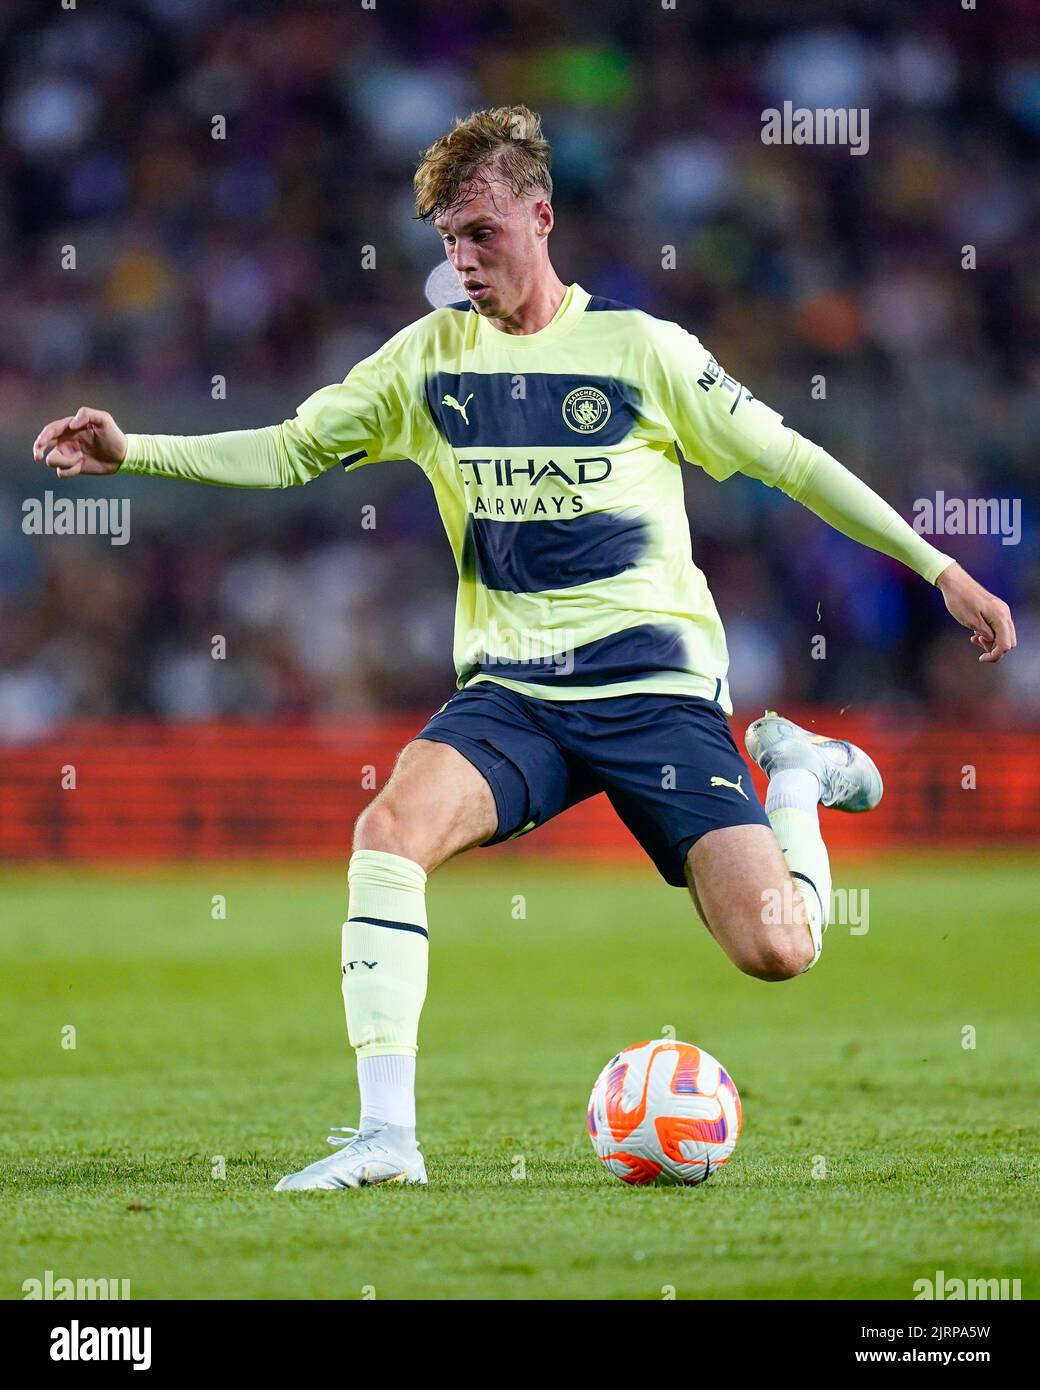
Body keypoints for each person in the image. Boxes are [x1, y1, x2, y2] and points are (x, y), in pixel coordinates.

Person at [33, 105, 1016, 1192]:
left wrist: (939, 567)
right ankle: (385, 1139)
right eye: (448, 242)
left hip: (655, 694)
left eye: (482, 234)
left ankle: (796, 776)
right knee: (388, 827)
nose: (462, 261)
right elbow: (285, 451)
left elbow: (793, 461)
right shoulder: (425, 361)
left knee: (779, 949)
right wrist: (136, 452)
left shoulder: (641, 353)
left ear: (539, 219)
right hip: (512, 692)